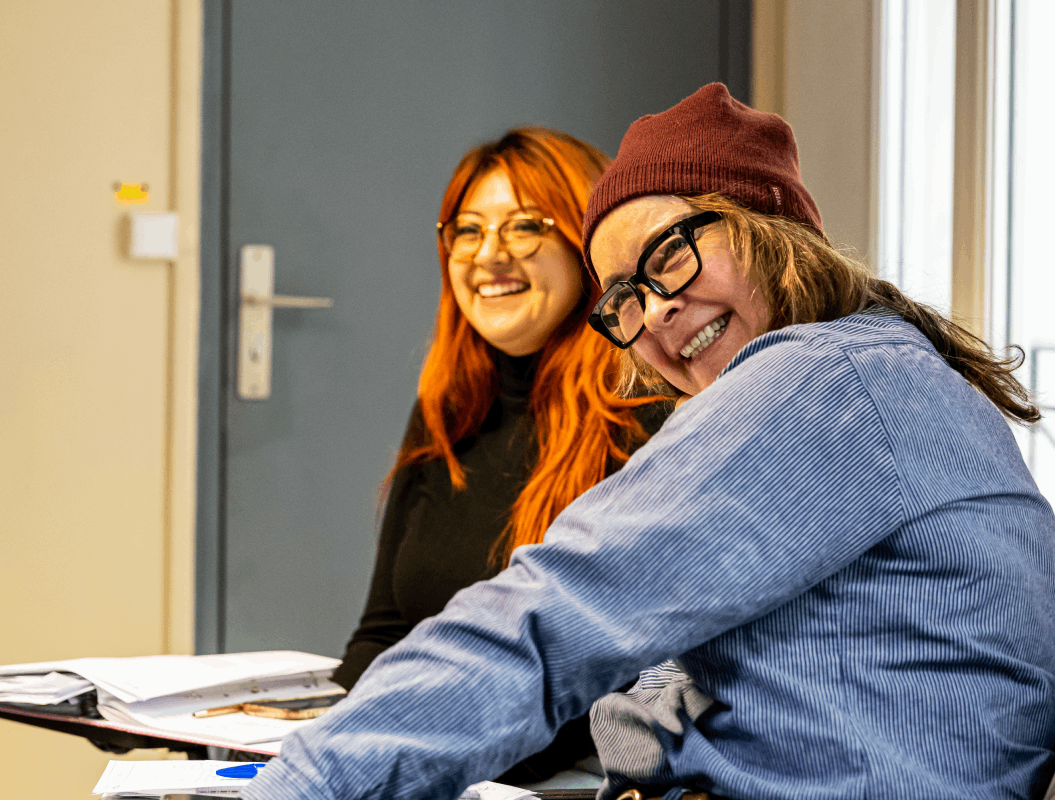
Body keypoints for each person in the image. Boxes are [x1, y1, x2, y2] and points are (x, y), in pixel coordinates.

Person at [240, 85, 1055, 800]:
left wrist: (300, 786)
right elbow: (658, 680)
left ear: (770, 230)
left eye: (670, 252)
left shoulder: (822, 381)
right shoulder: (881, 375)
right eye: (623, 295)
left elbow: (554, 618)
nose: (655, 309)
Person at [329, 128, 673, 783]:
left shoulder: (648, 415)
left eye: (524, 226)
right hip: (438, 763)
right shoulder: (449, 408)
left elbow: (621, 672)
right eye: (468, 229)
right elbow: (382, 634)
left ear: (589, 246)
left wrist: (418, 753)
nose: (489, 255)